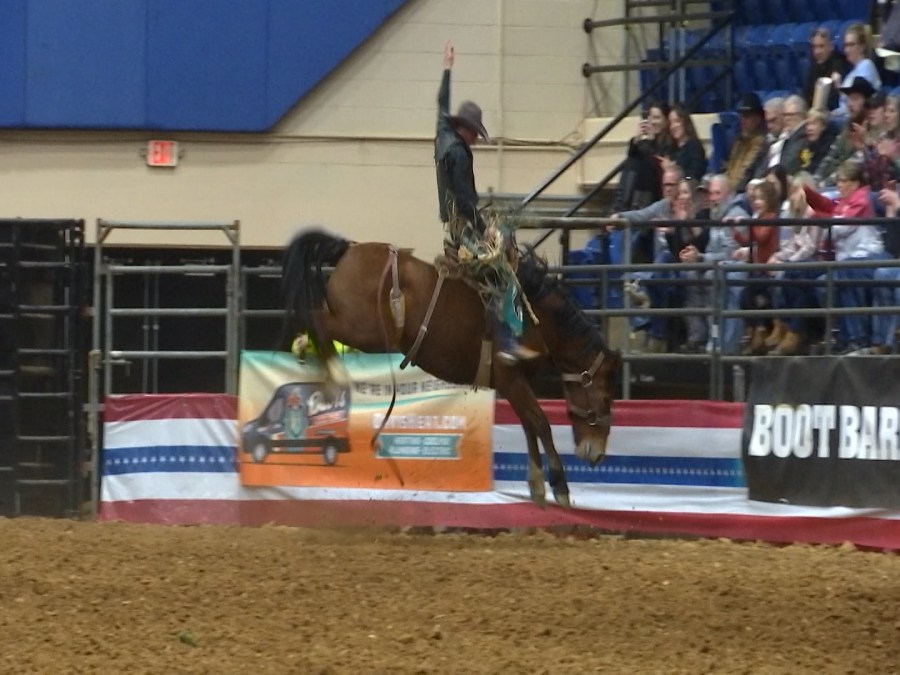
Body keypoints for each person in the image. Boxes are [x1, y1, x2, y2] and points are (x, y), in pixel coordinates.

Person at [434, 40, 535, 363]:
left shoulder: (442, 134)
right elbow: (466, 201)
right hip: (463, 228)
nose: (477, 138)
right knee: (502, 273)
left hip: (450, 222)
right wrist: (485, 230)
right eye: (475, 132)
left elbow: (441, 102)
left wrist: (448, 68)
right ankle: (507, 341)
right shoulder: (459, 156)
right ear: (465, 130)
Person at [803, 160, 890, 352]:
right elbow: (826, 207)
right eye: (838, 181)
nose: (839, 185)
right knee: (822, 284)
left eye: (843, 181)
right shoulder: (841, 202)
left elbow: (842, 227)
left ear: (855, 183)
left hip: (870, 256)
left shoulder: (862, 199)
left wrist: (821, 217)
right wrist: (808, 195)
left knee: (845, 274)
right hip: (847, 262)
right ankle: (842, 336)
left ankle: (857, 338)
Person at [767, 173, 823, 355]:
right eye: (791, 193)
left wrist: (789, 263)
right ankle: (783, 326)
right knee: (773, 275)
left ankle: (794, 331)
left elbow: (810, 247)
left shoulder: (815, 214)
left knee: (793, 275)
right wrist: (777, 257)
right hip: (801, 262)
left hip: (818, 261)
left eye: (796, 192)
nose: (792, 197)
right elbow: (792, 245)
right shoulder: (797, 216)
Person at [609, 101, 671, 214]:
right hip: (641, 189)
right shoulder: (645, 142)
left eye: (657, 118)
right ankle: (621, 207)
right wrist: (636, 139)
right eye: (651, 118)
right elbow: (632, 156)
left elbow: (653, 164)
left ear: (666, 121)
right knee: (632, 162)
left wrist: (651, 141)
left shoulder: (670, 144)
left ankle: (623, 208)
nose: (653, 122)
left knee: (639, 164)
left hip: (657, 188)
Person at [815, 76, 875, 187]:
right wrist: (816, 179)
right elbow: (830, 156)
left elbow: (854, 163)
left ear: (866, 103)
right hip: (832, 184)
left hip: (851, 184)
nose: (850, 104)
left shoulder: (872, 129)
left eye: (855, 99)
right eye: (849, 99)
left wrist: (823, 185)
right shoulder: (847, 126)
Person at [835, 23, 882, 120]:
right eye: (845, 45)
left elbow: (857, 101)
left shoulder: (866, 66)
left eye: (851, 45)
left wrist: (838, 86)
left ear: (862, 46)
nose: (847, 50)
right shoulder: (852, 72)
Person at [723, 93, 767, 192]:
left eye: (747, 116)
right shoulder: (738, 142)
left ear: (758, 118)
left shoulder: (762, 144)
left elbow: (747, 174)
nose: (742, 121)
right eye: (741, 116)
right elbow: (728, 169)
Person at [803, 26, 849, 112]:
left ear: (831, 46)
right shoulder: (812, 66)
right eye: (814, 47)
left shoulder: (840, 65)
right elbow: (805, 95)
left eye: (821, 46)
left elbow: (834, 99)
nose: (817, 52)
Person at [664, 104, 707, 181]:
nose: (673, 126)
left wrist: (674, 172)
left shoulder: (694, 148)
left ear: (685, 122)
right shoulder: (670, 149)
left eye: (677, 121)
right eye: (670, 123)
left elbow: (694, 176)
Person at [798, 109, 838, 175]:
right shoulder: (802, 144)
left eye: (814, 124)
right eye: (807, 124)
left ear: (823, 126)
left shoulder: (829, 146)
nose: (809, 128)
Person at [777, 96, 810, 176]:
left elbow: (789, 164)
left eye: (790, 115)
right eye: (784, 115)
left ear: (802, 115)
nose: (786, 119)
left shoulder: (804, 135)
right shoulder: (786, 135)